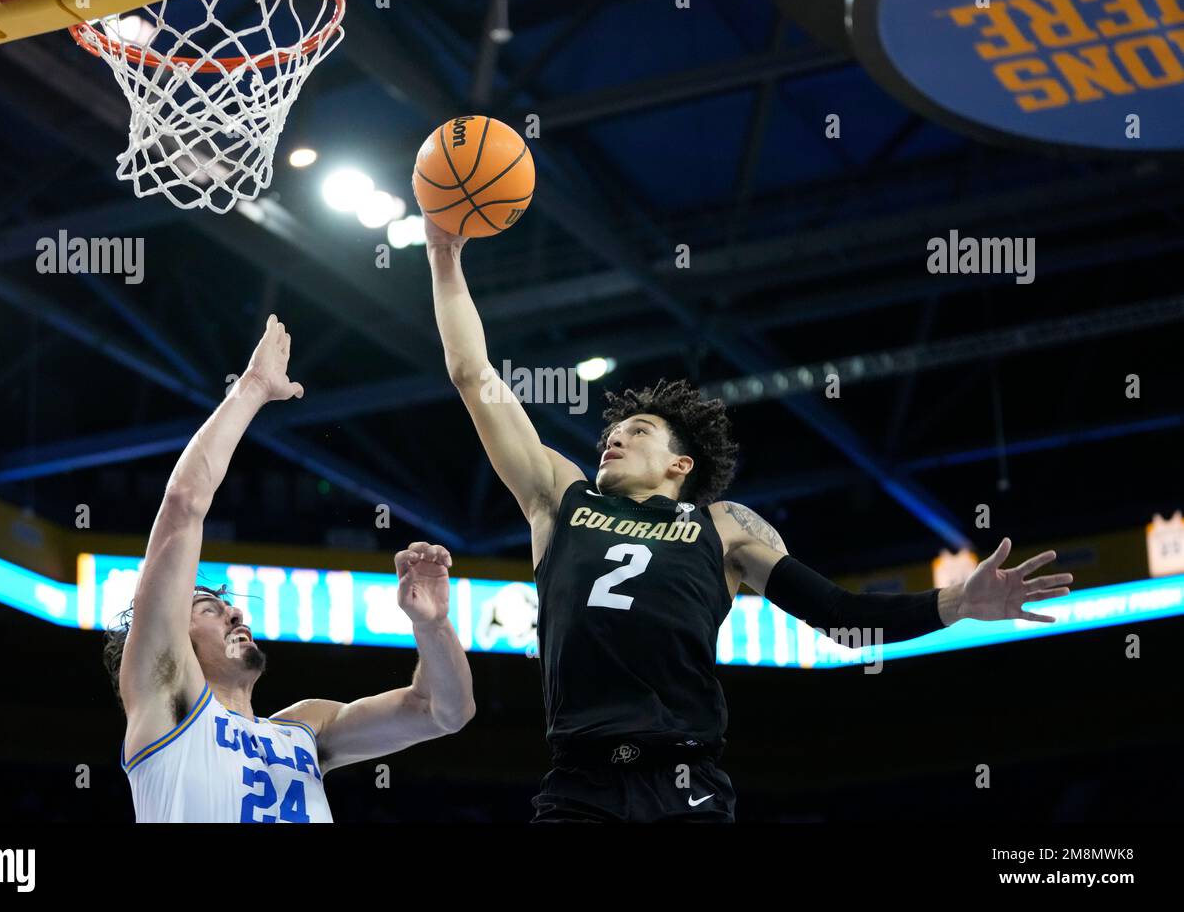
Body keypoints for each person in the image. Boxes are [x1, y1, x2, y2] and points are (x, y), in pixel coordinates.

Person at [424, 221, 1073, 823]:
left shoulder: (727, 526)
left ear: (680, 463)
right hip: (580, 784)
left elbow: (839, 618)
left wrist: (958, 602)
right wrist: (443, 254)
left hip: (686, 784)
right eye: (609, 435)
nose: (611, 441)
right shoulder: (560, 498)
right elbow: (471, 374)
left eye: (636, 431)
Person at [103, 314, 475, 822]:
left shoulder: (306, 728)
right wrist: (252, 388)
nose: (236, 614)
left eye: (228, 606)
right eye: (210, 608)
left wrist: (432, 626)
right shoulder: (165, 696)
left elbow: (445, 712)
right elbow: (184, 503)